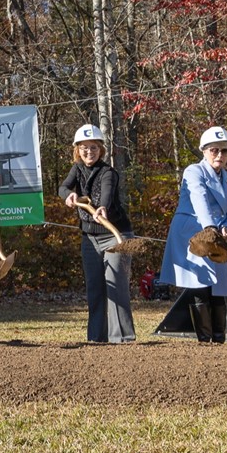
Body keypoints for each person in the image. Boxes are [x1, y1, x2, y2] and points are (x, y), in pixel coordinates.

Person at [58, 124, 136, 343]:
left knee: (115, 286)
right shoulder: (77, 169)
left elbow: (107, 194)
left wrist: (102, 207)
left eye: (93, 147)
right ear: (77, 150)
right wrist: (69, 196)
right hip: (90, 238)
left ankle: (122, 339)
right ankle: (96, 339)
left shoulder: (108, 172)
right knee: (95, 287)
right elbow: (63, 187)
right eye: (84, 148)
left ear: (101, 149)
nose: (88, 152)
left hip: (116, 235)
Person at [159, 126, 227, 343]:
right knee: (199, 284)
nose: (220, 155)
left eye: (224, 151)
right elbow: (200, 200)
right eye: (214, 150)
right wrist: (211, 228)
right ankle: (205, 339)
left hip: (216, 234)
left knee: (220, 287)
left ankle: (219, 338)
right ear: (204, 151)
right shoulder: (194, 171)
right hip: (192, 232)